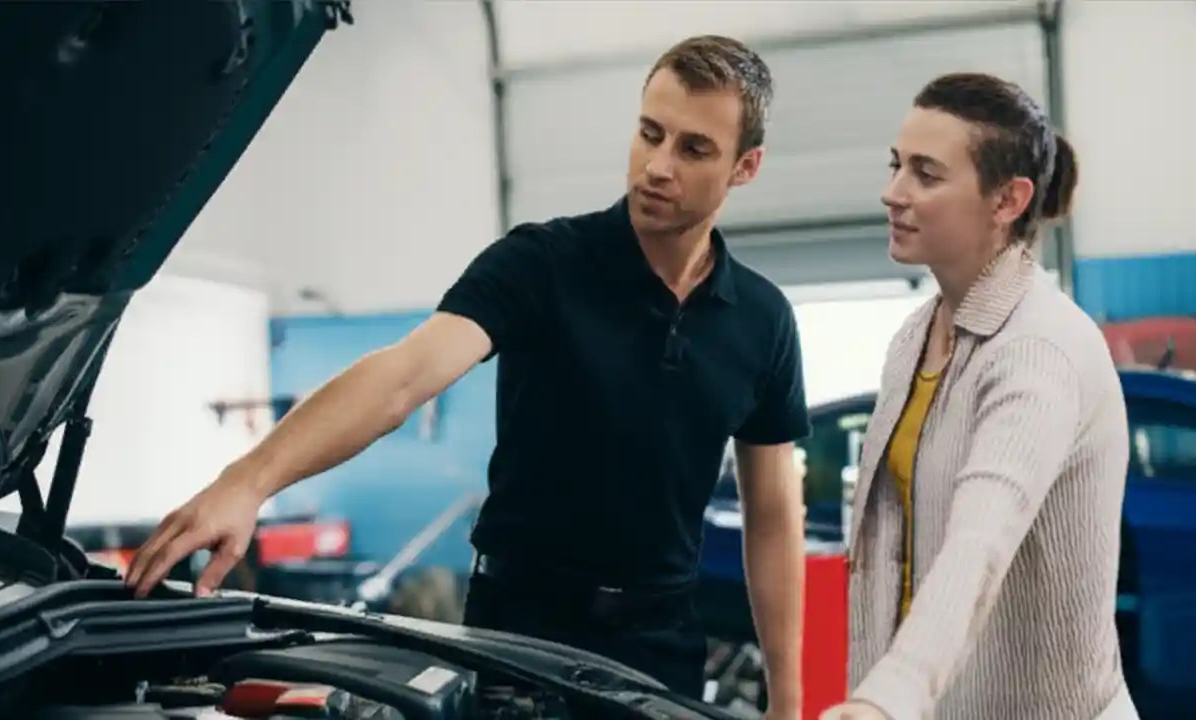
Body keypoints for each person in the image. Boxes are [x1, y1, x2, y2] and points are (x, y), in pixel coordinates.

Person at [124, 35, 810, 715]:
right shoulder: (542, 264)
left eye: (694, 149)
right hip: (517, 641)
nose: (657, 166)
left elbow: (773, 517)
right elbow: (401, 378)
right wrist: (248, 481)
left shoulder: (763, 321)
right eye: (649, 133)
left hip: (660, 654)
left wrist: (788, 697)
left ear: (745, 167)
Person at [821, 73, 1139, 720]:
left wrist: (887, 698)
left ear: (1008, 200)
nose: (893, 192)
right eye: (895, 165)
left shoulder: (1039, 348)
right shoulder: (914, 338)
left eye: (926, 174)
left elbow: (978, 542)